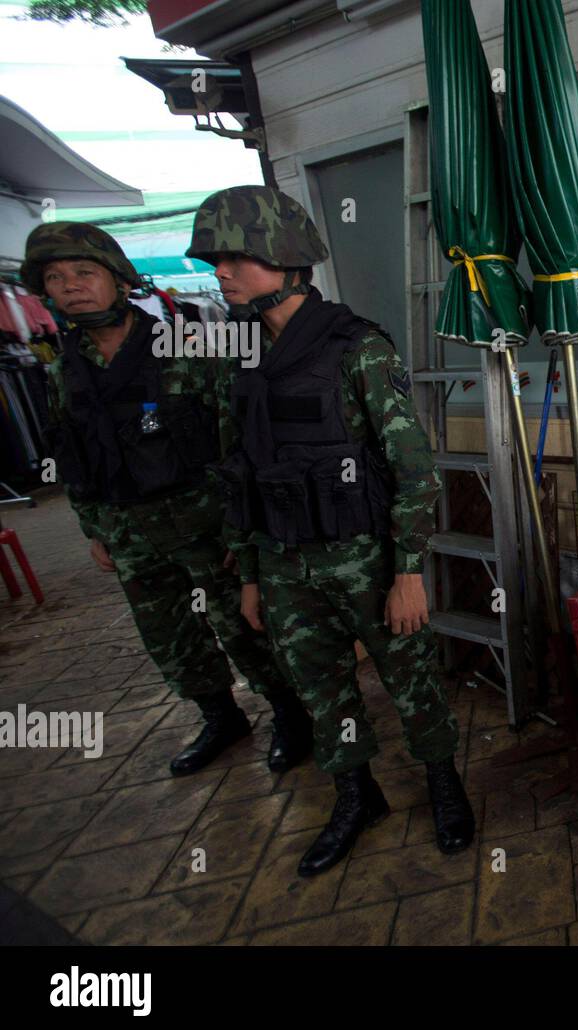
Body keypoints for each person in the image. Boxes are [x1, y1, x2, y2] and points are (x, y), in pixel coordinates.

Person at [187, 186, 475, 877]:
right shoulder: (242, 358)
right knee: (321, 689)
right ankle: (357, 794)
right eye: (215, 260)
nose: (220, 272)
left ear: (285, 261)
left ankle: (443, 782)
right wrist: (253, 575)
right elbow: (241, 472)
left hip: (366, 559)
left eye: (236, 258)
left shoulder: (358, 347)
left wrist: (408, 572)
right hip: (285, 564)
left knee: (409, 680)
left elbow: (414, 465)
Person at [24, 222, 313, 776]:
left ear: (117, 279)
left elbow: (238, 443)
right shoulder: (65, 370)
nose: (71, 286)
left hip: (205, 528)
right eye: (56, 278)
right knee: (170, 635)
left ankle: (289, 714)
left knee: (243, 628)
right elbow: (70, 452)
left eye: (84, 272)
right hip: (130, 533)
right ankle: (221, 718)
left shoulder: (186, 349)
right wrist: (96, 530)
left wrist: (241, 528)